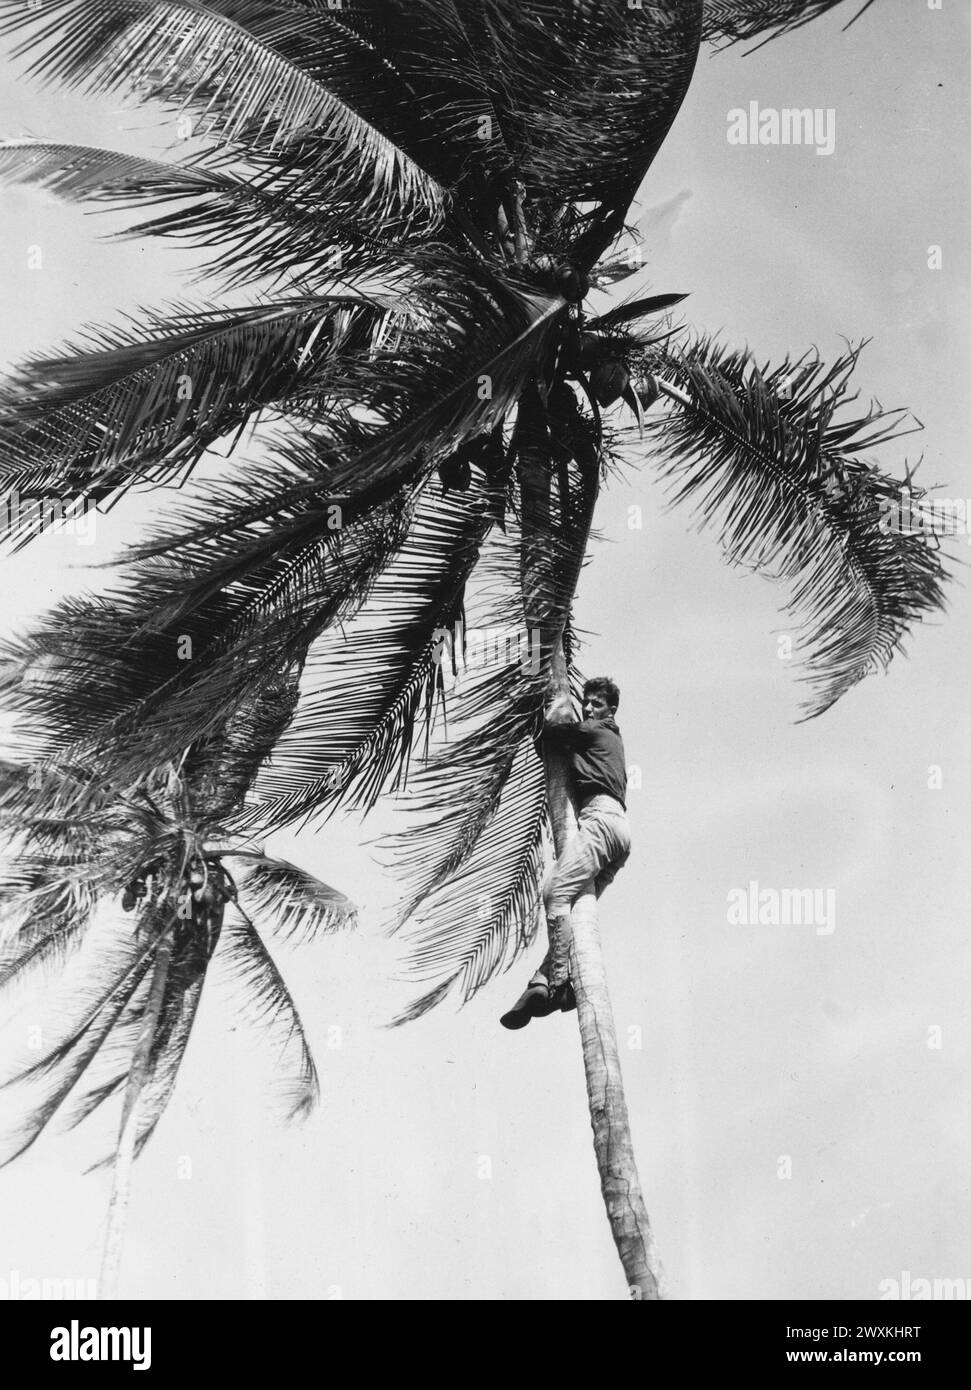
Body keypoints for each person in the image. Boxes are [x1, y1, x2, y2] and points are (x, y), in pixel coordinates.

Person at [500, 676, 631, 1029]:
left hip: (600, 822)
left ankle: (558, 983)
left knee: (553, 892)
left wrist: (527, 705)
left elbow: (552, 737)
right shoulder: (607, 738)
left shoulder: (594, 731)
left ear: (611, 710)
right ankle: (540, 983)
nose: (588, 708)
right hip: (619, 832)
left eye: (596, 704)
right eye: (586, 703)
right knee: (569, 909)